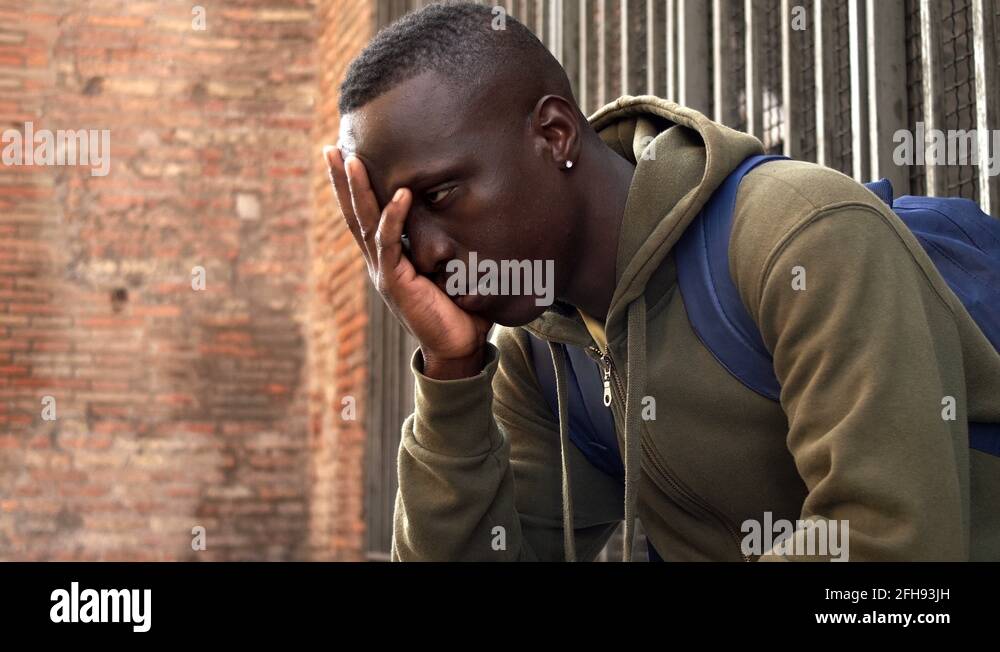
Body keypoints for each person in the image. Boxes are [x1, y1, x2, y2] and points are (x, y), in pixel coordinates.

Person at [323, 1, 1000, 561]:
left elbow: (894, 555)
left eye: (440, 194)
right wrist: (451, 371)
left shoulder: (799, 238)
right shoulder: (539, 358)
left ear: (554, 134)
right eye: (398, 226)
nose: (428, 250)